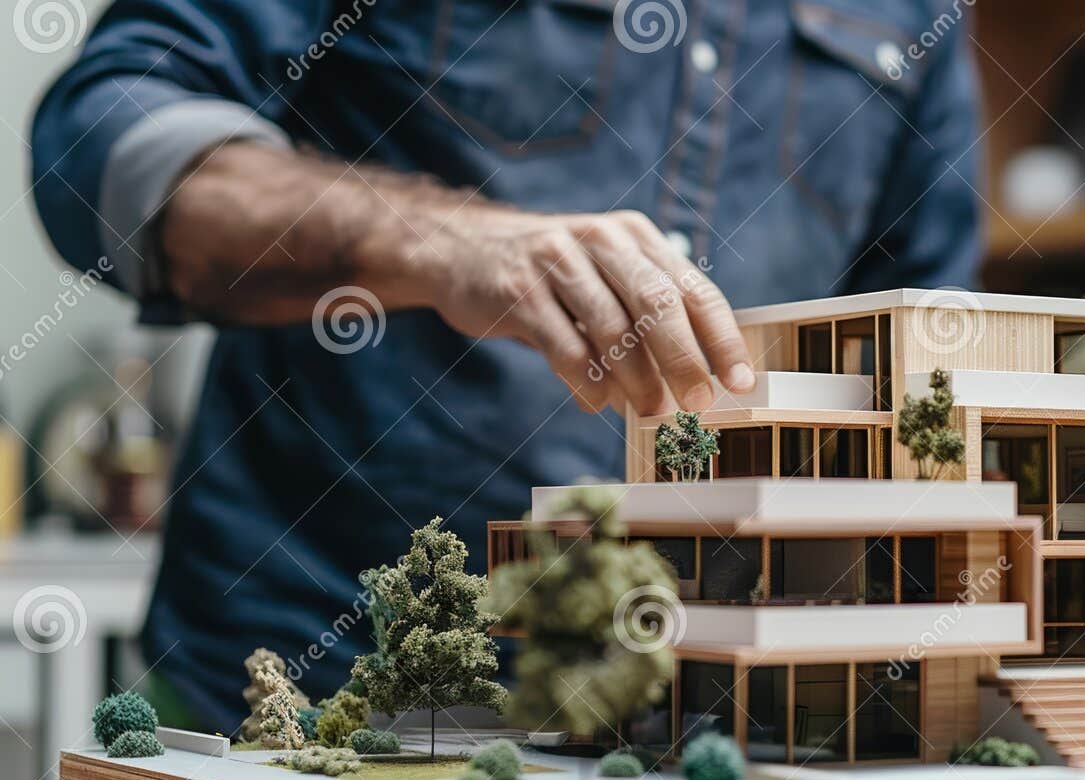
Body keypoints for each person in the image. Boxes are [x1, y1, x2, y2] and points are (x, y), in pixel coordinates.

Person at [31, 0, 982, 731]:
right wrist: (434, 240)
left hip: (699, 729)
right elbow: (101, 143)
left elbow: (920, 372)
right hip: (293, 684)